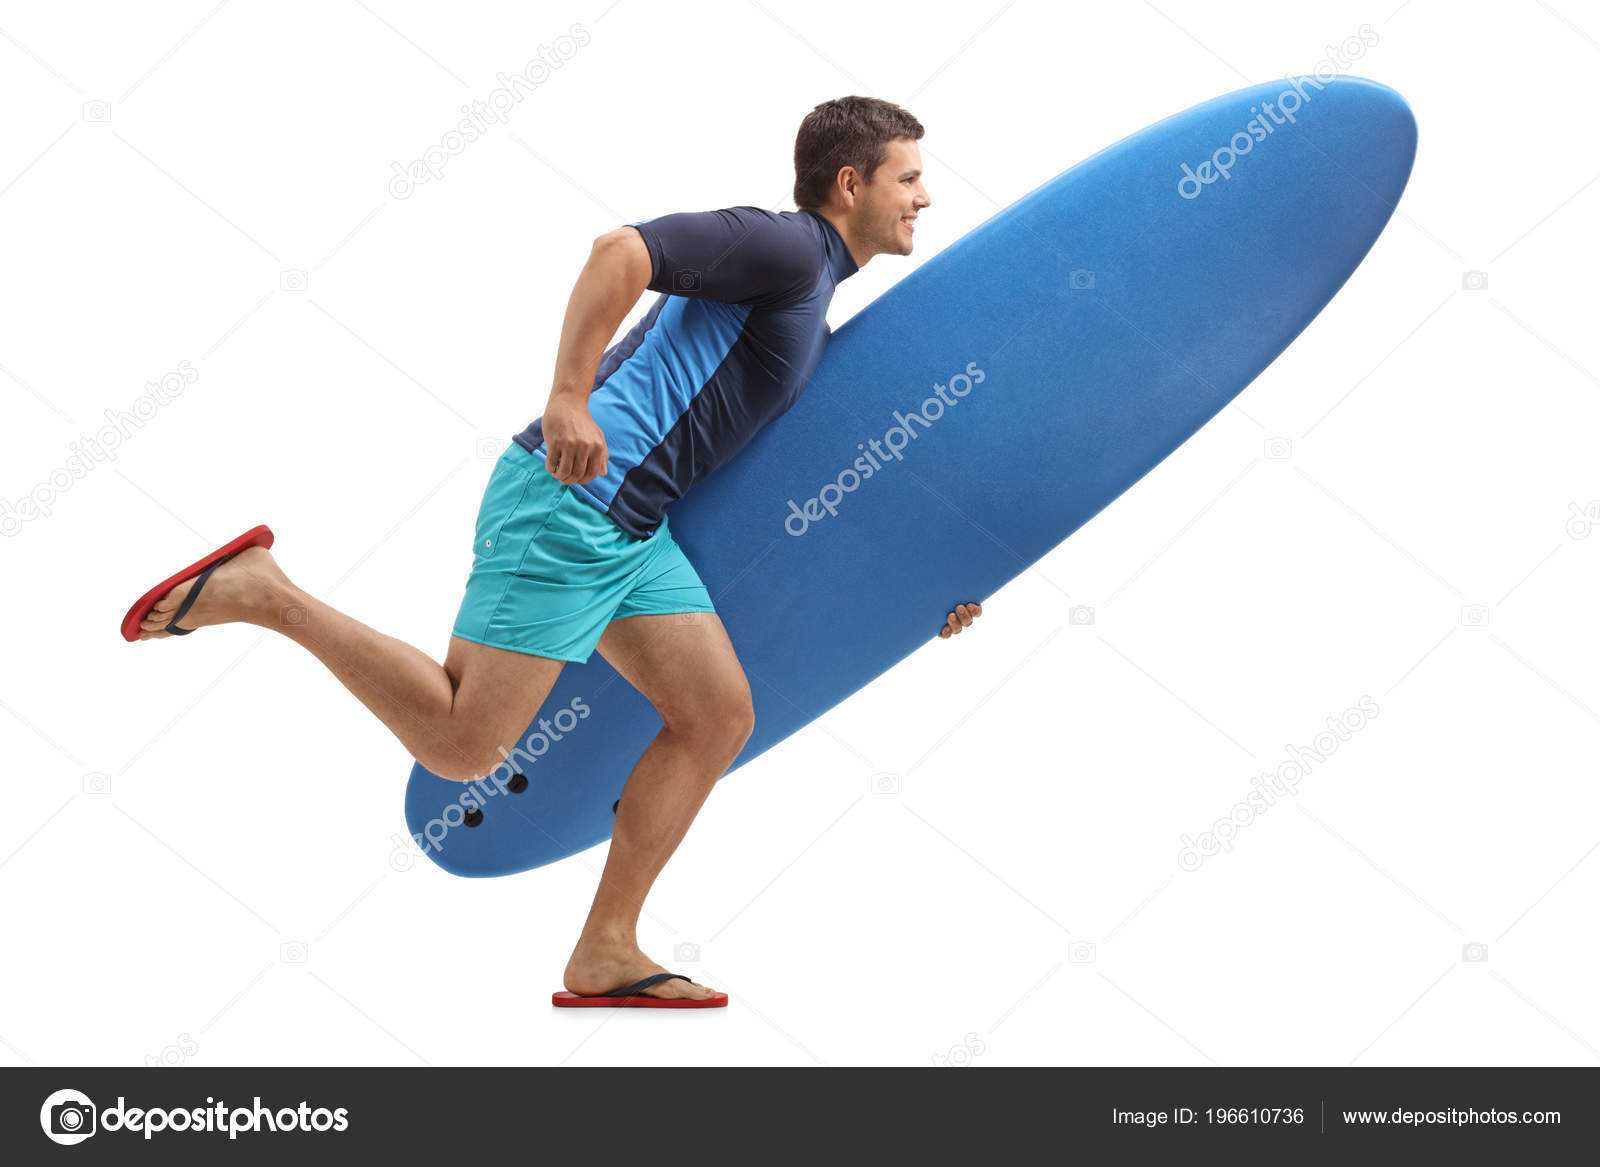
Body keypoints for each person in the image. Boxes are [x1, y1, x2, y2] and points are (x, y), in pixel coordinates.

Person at [127, 96, 982, 1006]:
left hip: (632, 531)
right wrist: (569, 396)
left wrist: (913, 590)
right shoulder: (785, 247)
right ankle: (266, 594)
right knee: (462, 746)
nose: (924, 196)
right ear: (850, 183)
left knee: (716, 714)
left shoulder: (810, 290)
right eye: (910, 176)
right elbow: (620, 251)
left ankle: (605, 949)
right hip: (573, 502)